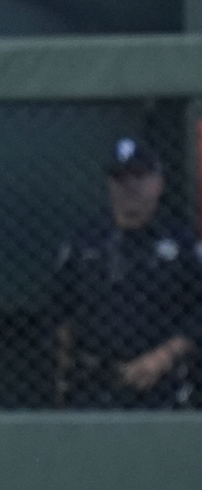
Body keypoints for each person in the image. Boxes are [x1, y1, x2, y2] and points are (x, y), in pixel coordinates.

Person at [52, 136, 202, 409]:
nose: (129, 187)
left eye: (138, 177)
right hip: (95, 385)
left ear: (158, 184)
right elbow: (61, 309)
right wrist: (64, 376)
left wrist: (162, 357)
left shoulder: (183, 244)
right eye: (120, 179)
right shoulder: (85, 242)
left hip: (162, 386)